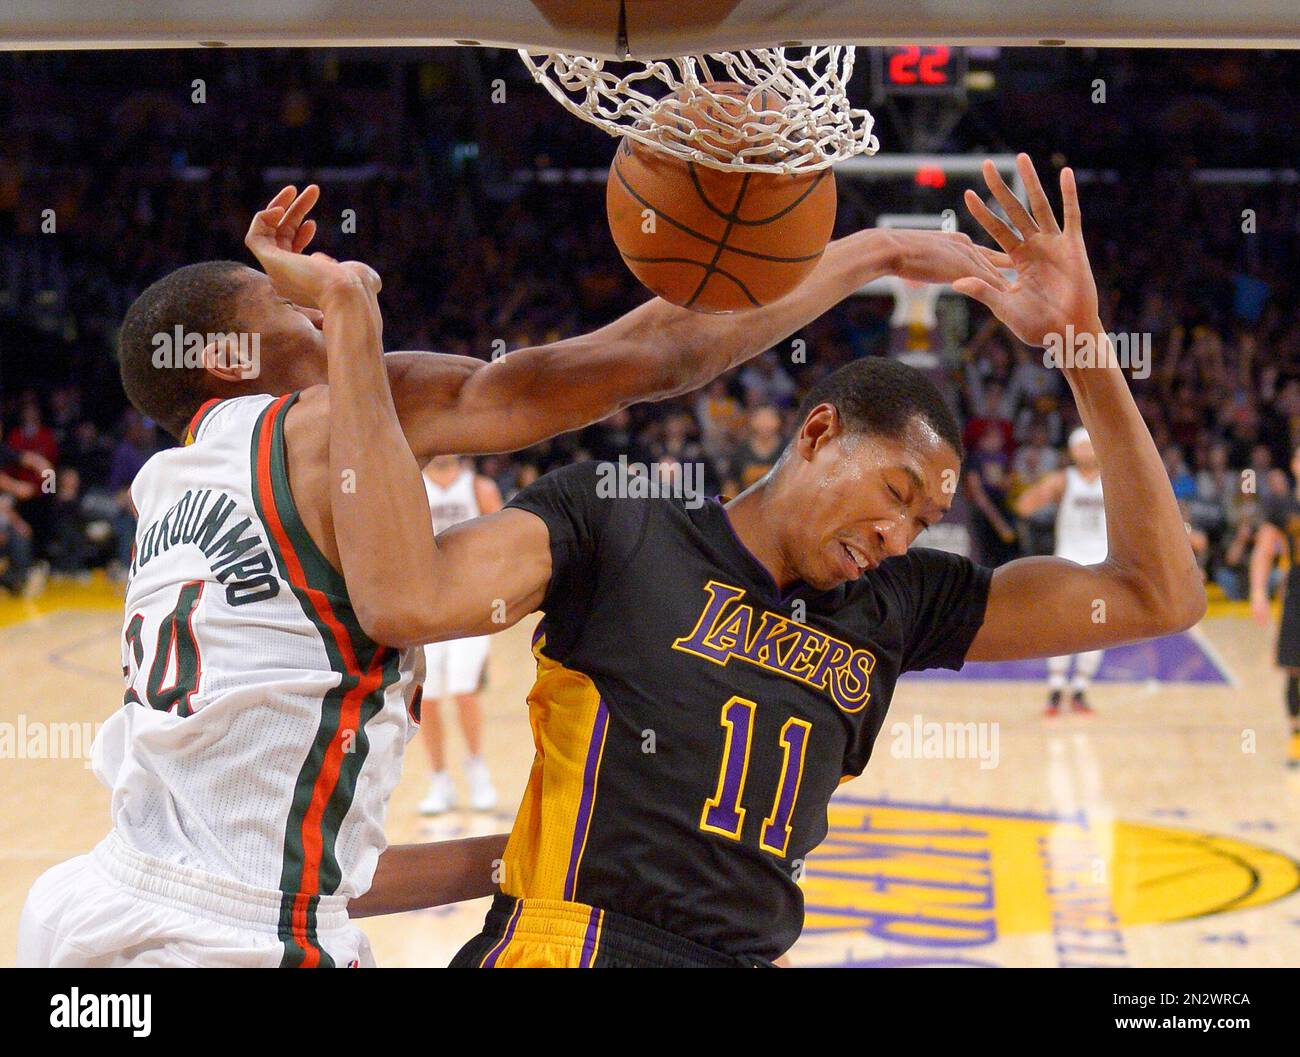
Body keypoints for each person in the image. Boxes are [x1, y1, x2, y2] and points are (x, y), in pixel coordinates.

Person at [18, 183, 1006, 967]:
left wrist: (552, 858)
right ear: (231, 359)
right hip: (236, 941)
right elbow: (645, 357)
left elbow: (312, 870)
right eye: (287, 305)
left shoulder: (163, 492)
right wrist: (868, 255)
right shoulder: (318, 421)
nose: (312, 311)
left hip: (96, 900)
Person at [339, 155, 1205, 966]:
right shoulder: (619, 521)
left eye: (927, 519)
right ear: (819, 434)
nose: (900, 537)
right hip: (572, 943)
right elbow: (414, 594)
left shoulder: (898, 602)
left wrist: (1084, 346)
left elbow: (1157, 593)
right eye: (896, 494)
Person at [418, 455, 502, 815]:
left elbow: (502, 545)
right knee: (428, 698)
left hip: (469, 605)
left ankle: (477, 770)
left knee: (465, 691)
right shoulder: (410, 485)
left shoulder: (479, 488)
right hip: (426, 605)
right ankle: (439, 780)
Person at [1014, 428, 1108, 714]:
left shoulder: (1113, 482)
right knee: (1063, 624)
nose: (1086, 451)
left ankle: (1080, 688)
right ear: (1072, 451)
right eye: (1081, 446)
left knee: (1098, 628)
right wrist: (1040, 492)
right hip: (1068, 561)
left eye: (1091, 445)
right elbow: (1024, 506)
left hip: (1101, 563)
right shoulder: (1063, 480)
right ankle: (1055, 687)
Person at [1250, 442, 1300, 767]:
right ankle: (1296, 733)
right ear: (1295, 464)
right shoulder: (1282, 504)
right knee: (1293, 665)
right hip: (1297, 587)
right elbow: (1265, 549)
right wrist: (1257, 592)